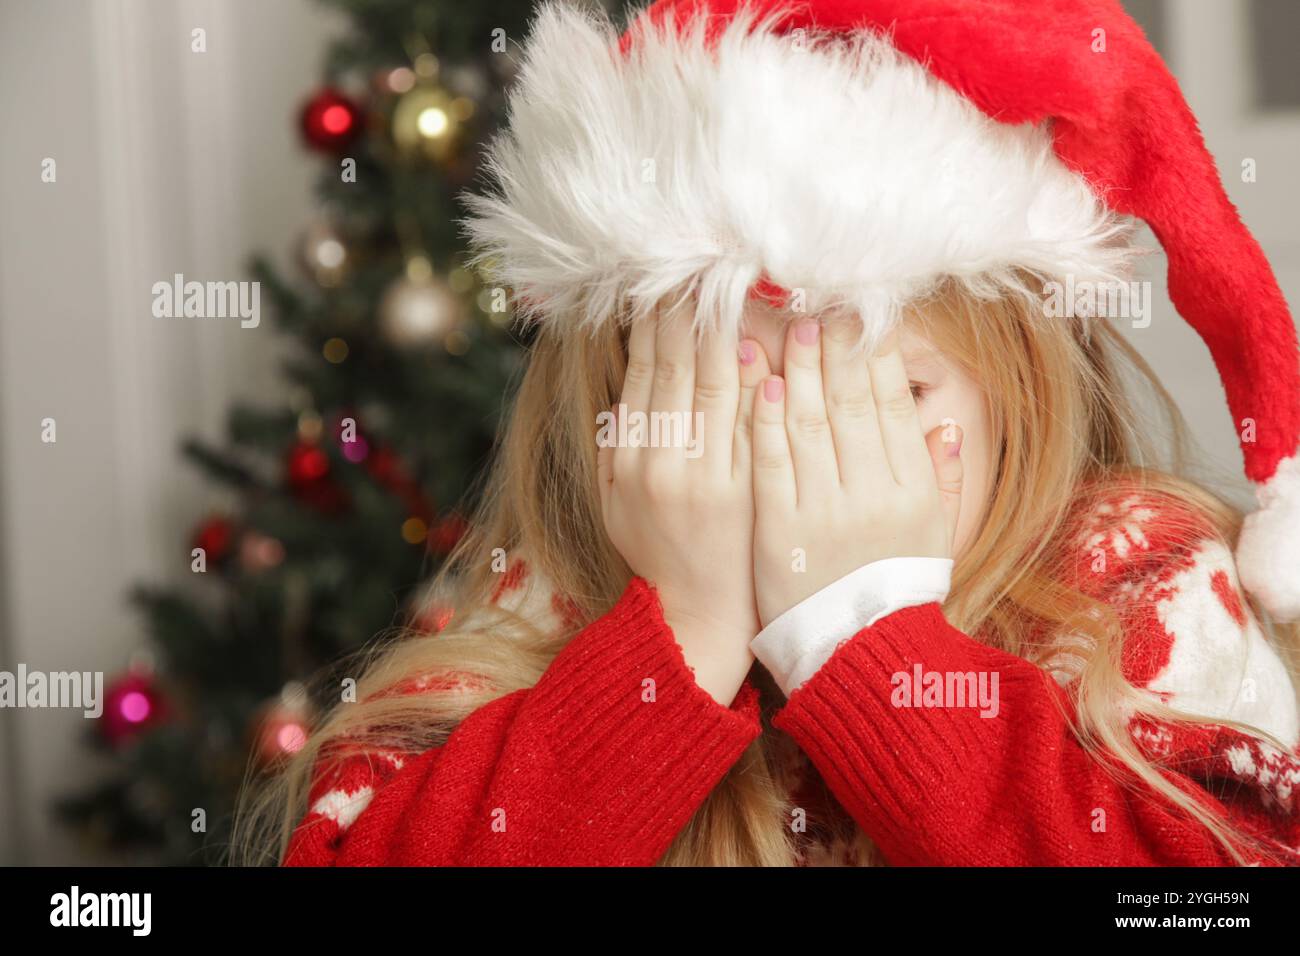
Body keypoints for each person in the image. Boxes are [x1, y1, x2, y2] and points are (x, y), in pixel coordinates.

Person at [234, 0, 1300, 866]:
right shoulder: (536, 608)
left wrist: (868, 642)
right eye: (721, 397)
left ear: (1013, 388)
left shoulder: (1137, 589)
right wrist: (678, 643)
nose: (798, 461)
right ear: (609, 410)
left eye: (885, 399)